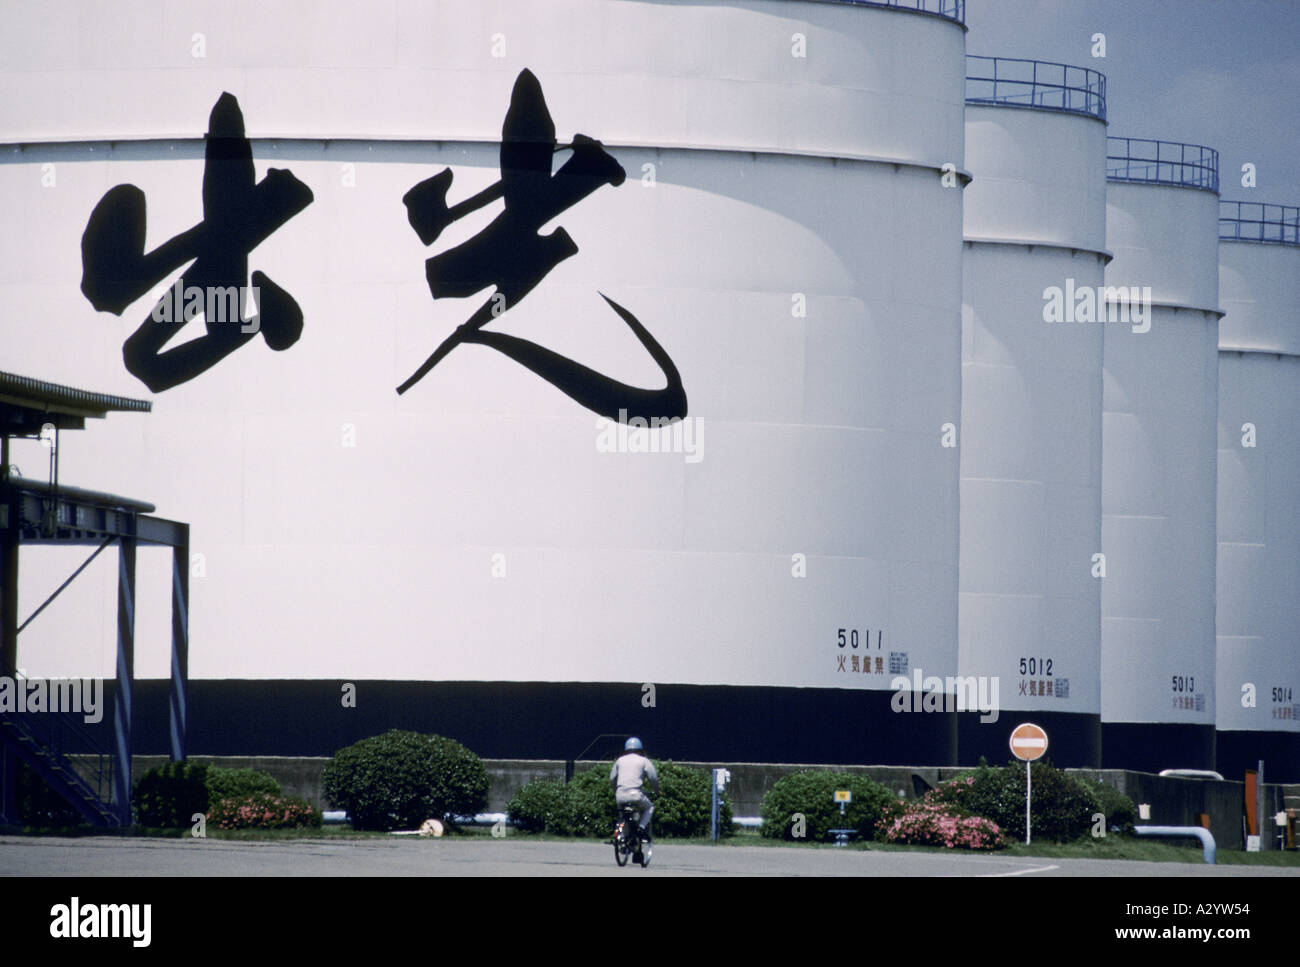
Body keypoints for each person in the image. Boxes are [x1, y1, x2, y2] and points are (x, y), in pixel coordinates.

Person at [610, 737, 660, 841]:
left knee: (622, 815)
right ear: (640, 749)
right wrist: (657, 790)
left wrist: (616, 790)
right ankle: (641, 828)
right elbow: (653, 777)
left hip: (620, 795)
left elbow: (612, 778)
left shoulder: (620, 760)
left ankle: (621, 838)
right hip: (635, 795)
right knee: (649, 807)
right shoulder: (643, 760)